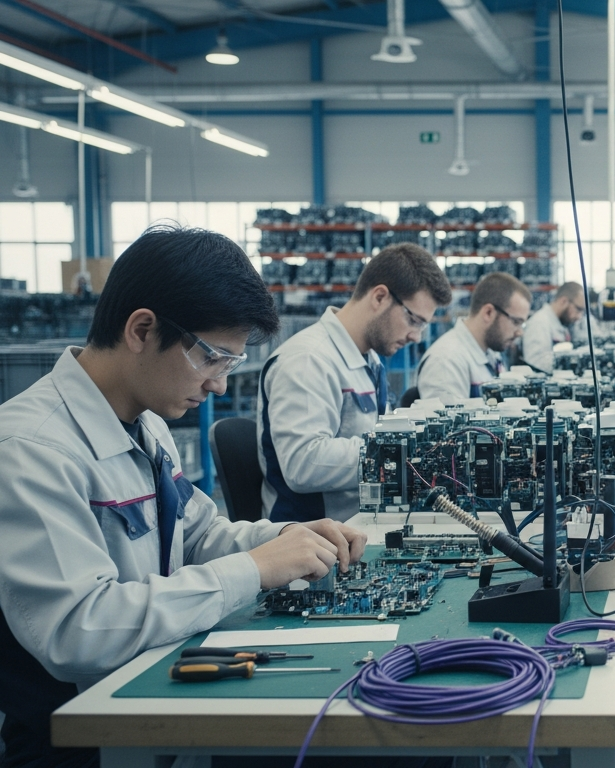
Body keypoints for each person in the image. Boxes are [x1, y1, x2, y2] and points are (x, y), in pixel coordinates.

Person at [0, 225, 368, 768]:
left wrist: (287, 538)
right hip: (87, 738)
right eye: (214, 357)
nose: (220, 384)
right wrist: (251, 569)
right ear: (142, 329)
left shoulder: (144, 422)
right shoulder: (30, 450)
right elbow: (78, 630)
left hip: (156, 689)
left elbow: (198, 533)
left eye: (231, 364)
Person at [259, 244, 451, 523]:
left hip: (359, 523)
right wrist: (400, 450)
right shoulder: (308, 360)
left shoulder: (368, 359)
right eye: (414, 320)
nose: (416, 337)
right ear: (380, 297)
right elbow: (303, 463)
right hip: (317, 540)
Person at [417, 271, 531, 400]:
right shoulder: (446, 362)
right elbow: (450, 419)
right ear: (488, 313)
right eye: (516, 322)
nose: (519, 332)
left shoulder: (491, 354)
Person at [519, 282, 585, 372]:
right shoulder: (539, 323)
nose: (579, 316)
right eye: (578, 309)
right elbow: (535, 362)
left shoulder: (561, 322)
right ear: (563, 301)